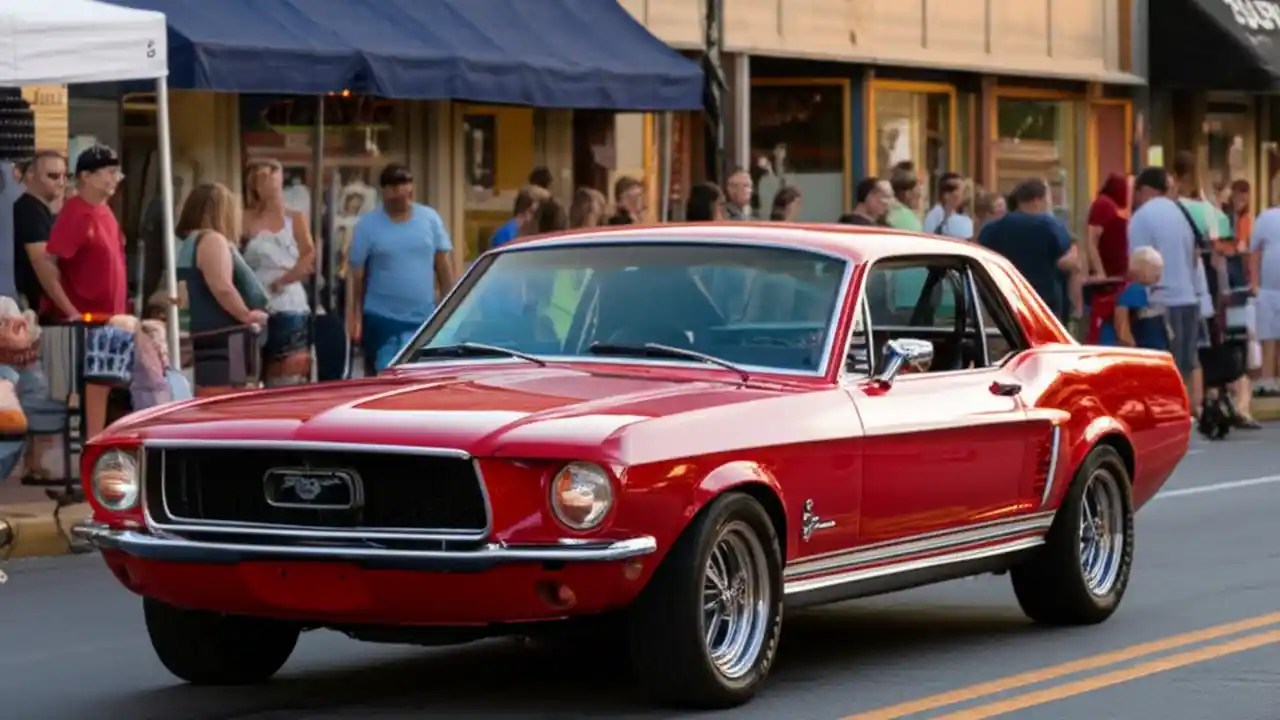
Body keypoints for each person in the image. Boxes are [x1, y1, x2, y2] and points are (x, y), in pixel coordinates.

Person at [347, 164, 455, 376]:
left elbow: (443, 265)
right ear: (384, 192)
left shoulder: (430, 219)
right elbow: (356, 276)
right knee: (385, 376)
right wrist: (354, 318)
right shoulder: (368, 226)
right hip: (381, 318)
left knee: (421, 378)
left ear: (411, 189)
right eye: (394, 188)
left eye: (405, 186)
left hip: (424, 318)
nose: (400, 193)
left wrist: (450, 308)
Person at [177, 183, 270, 397]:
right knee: (233, 400)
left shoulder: (188, 242)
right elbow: (222, 287)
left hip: (199, 336)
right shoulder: (212, 240)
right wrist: (246, 315)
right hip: (226, 339)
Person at [1127, 166, 1207, 413]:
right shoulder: (1183, 213)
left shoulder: (1142, 216)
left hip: (1159, 299)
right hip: (1187, 297)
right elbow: (1194, 257)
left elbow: (1140, 261)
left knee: (1159, 364)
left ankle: (1166, 411)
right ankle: (1189, 409)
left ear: (1146, 190)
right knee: (1185, 362)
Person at [242, 158, 317, 387]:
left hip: (288, 306)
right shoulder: (245, 218)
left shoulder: (295, 218)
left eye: (269, 178)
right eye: (259, 179)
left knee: (285, 379)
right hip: (252, 307)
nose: (265, 185)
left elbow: (309, 254)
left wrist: (285, 279)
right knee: (246, 376)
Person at [978, 178, 1078, 321]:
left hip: (1004, 300)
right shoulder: (1051, 226)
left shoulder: (993, 228)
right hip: (1044, 304)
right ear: (1037, 200)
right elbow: (1069, 262)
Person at [12, 150, 67, 312]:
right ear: (30, 176)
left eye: (65, 176)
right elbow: (42, 264)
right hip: (32, 306)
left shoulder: (37, 210)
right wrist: (69, 309)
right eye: (53, 176)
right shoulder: (30, 211)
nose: (61, 182)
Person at [1098, 247, 1167, 350]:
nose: (1158, 277)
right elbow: (1121, 326)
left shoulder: (1123, 285)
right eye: (1155, 270)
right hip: (1115, 348)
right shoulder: (1134, 290)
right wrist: (1135, 351)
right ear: (1143, 268)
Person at [921, 173, 974, 240]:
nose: (963, 194)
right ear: (947, 194)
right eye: (961, 190)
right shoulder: (935, 215)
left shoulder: (958, 214)